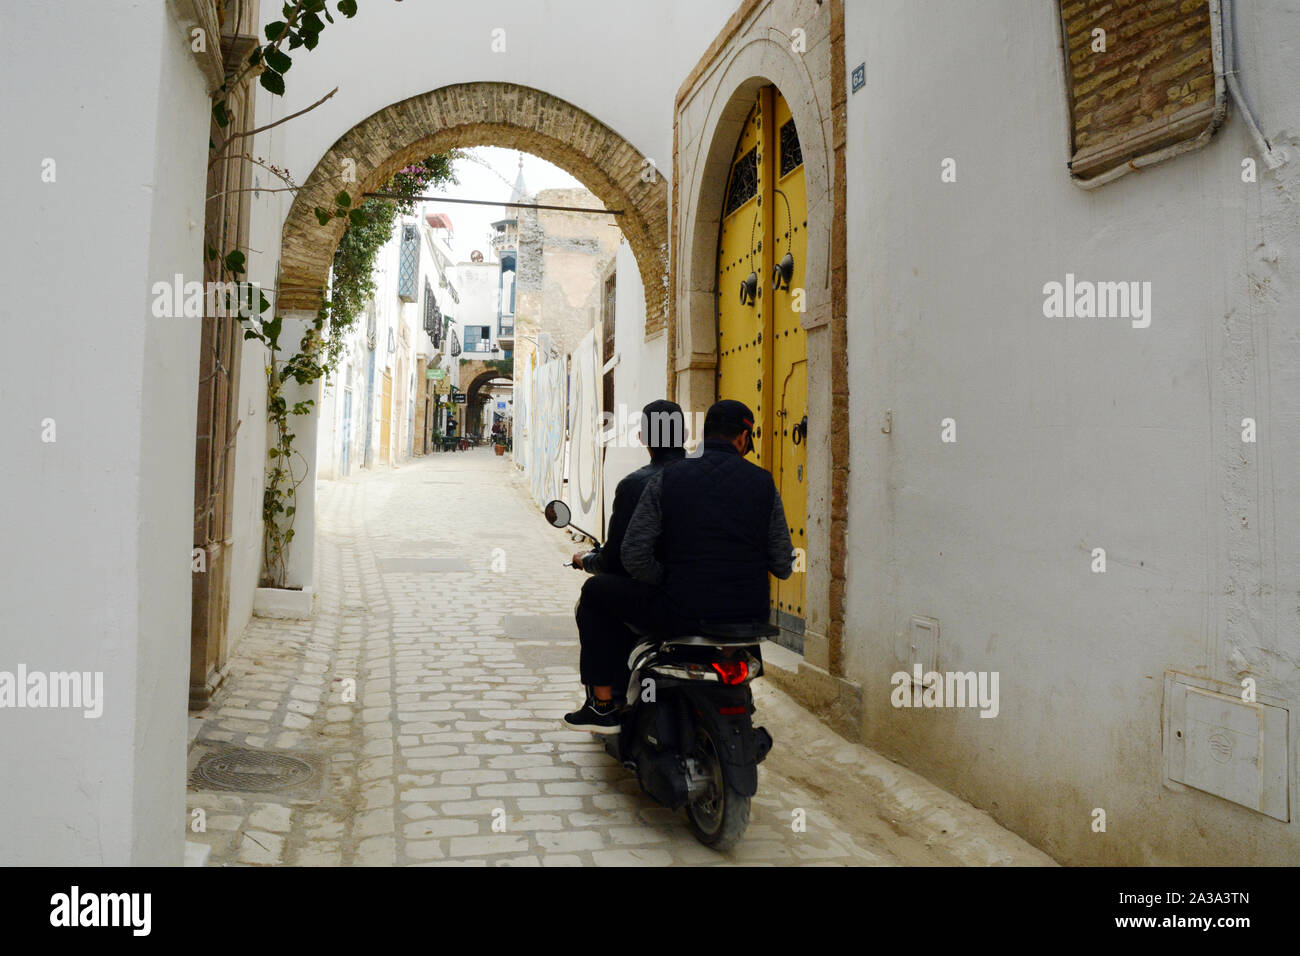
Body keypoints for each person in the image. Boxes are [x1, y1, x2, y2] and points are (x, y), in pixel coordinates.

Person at [562, 399, 794, 733]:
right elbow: (784, 565)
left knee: (596, 591)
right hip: (750, 618)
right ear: (744, 437)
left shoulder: (666, 480)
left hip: (681, 610)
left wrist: (666, 579)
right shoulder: (763, 483)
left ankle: (601, 706)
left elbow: (632, 555)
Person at [562, 401, 686, 733]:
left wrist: (589, 561)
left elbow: (616, 558)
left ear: (644, 437)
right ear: (684, 434)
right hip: (709, 595)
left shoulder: (636, 484)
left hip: (661, 596)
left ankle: (601, 704)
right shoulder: (704, 479)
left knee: (596, 593)